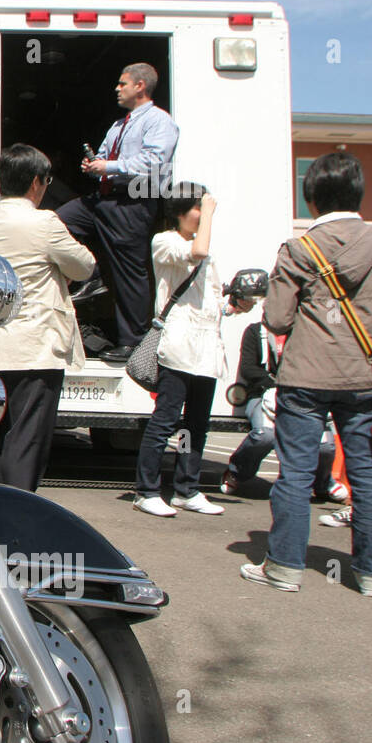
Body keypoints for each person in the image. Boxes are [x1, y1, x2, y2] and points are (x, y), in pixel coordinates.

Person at [241, 152, 372, 597]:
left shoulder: (299, 249)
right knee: (369, 476)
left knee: (297, 473)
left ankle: (284, 566)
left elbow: (279, 320)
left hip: (306, 378)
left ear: (312, 198)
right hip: (365, 374)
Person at [0, 144, 95, 491]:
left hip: (0, 342)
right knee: (28, 439)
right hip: (37, 344)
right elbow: (84, 265)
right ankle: (17, 512)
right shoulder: (44, 221)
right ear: (35, 182)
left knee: (4, 434)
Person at [133, 183, 251, 517]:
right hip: (178, 345)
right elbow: (196, 253)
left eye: (204, 208)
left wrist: (232, 307)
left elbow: (207, 301)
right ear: (181, 212)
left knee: (196, 424)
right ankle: (147, 490)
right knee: (165, 420)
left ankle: (187, 488)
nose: (203, 214)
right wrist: (211, 213)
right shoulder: (165, 241)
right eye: (198, 208)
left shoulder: (206, 249)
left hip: (206, 350)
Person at [58, 63, 179, 361]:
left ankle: (133, 342)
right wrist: (94, 165)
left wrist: (108, 167)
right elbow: (103, 156)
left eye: (122, 83)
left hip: (133, 201)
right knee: (58, 222)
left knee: (129, 271)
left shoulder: (159, 121)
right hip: (104, 198)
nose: (117, 88)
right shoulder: (118, 125)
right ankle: (91, 273)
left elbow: (155, 162)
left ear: (140, 86)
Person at [219, 321, 347, 501]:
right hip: (264, 394)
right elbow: (248, 369)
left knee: (325, 446)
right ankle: (236, 472)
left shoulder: (306, 330)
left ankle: (323, 483)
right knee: (264, 436)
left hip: (302, 395)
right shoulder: (255, 331)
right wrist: (278, 383)